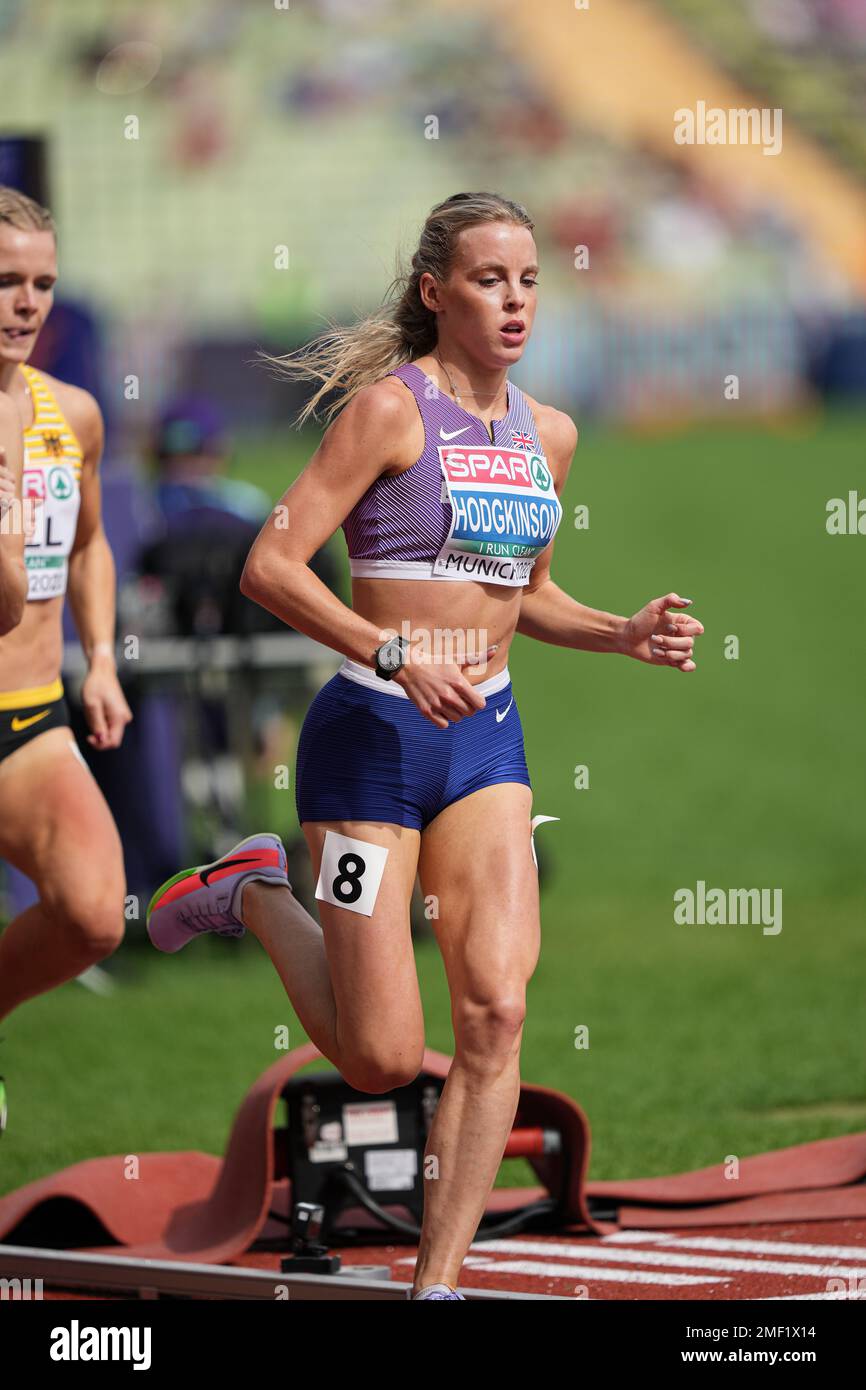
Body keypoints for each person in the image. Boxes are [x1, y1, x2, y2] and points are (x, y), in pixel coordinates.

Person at [147, 191, 704, 1298]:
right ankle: (256, 888)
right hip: (368, 736)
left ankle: (435, 1285)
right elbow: (272, 567)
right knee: (381, 1059)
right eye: (489, 279)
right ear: (433, 291)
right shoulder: (388, 414)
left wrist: (618, 633)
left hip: (484, 741)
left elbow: (526, 596)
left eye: (529, 281)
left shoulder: (550, 434)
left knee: (495, 1011)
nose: (513, 301)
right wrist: (392, 651)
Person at [0, 186, 132, 1134]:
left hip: (30, 717)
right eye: (6, 281)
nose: (27, 302)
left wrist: (101, 664)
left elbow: (87, 545)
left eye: (43, 282)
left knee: (92, 915)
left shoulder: (72, 413)